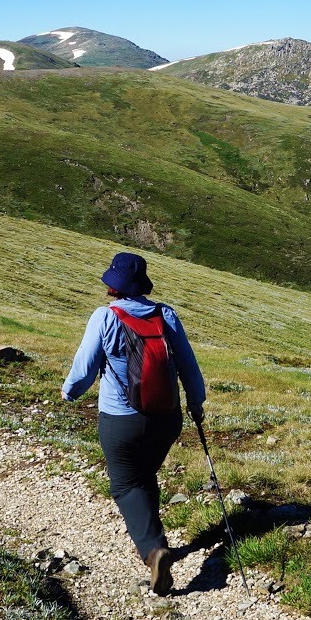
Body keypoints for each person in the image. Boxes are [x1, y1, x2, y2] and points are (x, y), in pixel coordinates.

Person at [63, 251, 206, 595]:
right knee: (144, 476)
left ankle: (154, 551)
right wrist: (196, 403)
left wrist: (69, 393)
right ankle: (156, 540)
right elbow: (188, 364)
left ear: (113, 285)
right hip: (167, 419)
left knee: (126, 485)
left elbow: (83, 371)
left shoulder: (105, 317)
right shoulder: (165, 314)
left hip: (121, 422)